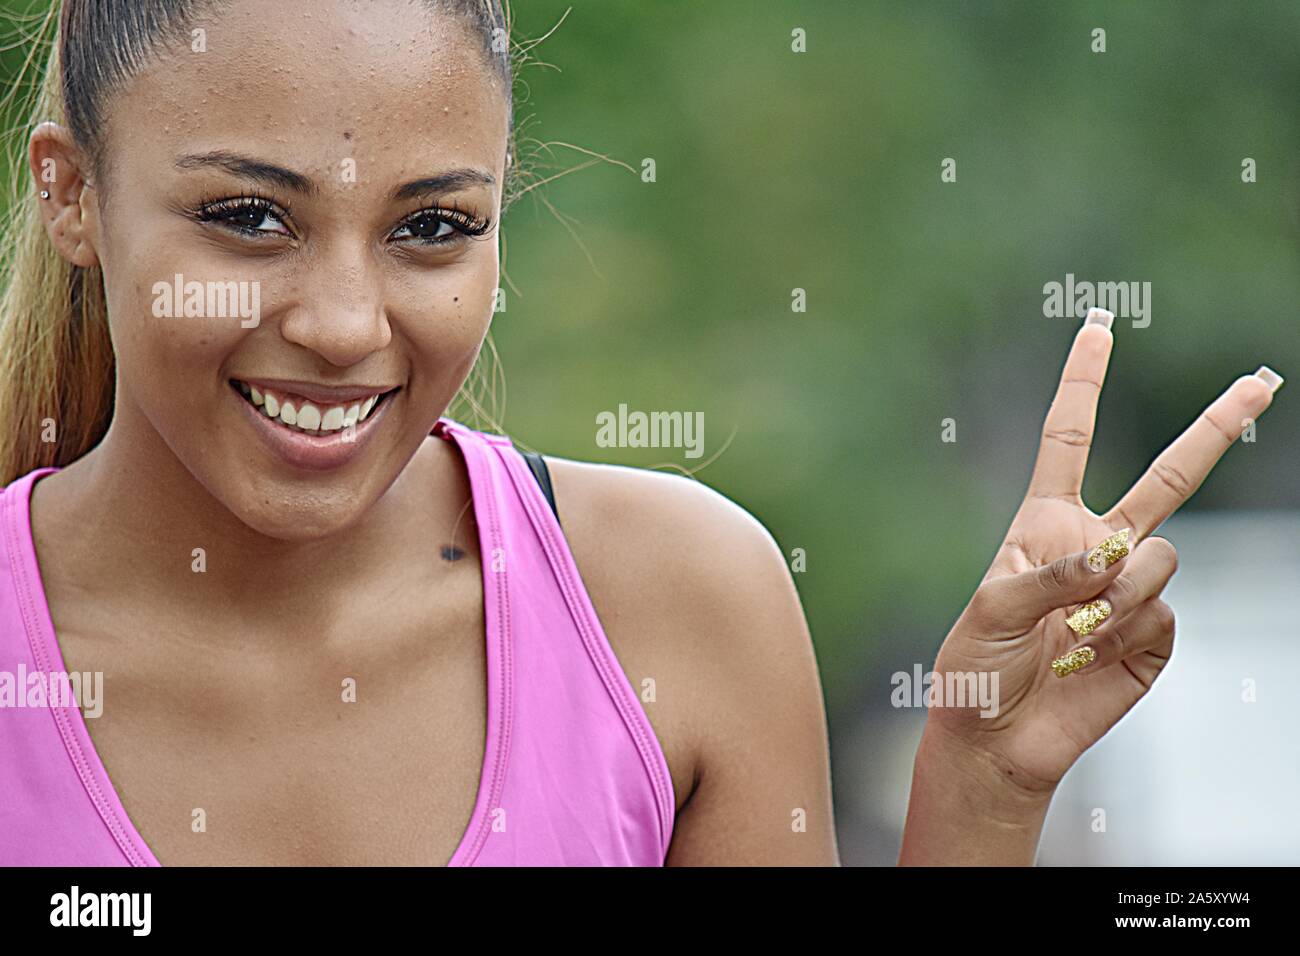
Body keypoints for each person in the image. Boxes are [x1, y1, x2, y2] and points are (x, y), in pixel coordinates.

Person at [0, 0, 1282, 866]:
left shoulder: (677, 603)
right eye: (248, 215)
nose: (344, 323)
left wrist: (980, 798)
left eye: (432, 226)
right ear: (70, 194)